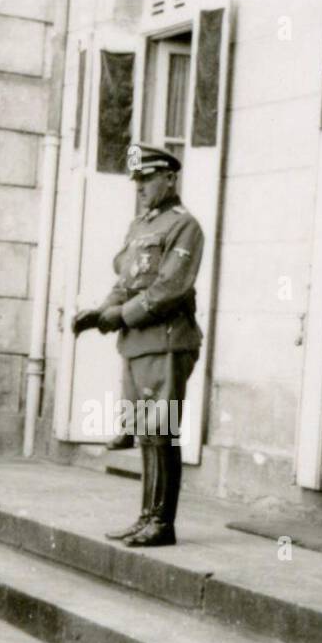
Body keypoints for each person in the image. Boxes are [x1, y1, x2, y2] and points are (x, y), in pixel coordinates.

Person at [73, 143, 204, 548]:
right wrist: (102, 311)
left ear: (170, 178)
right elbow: (126, 281)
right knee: (146, 433)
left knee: (161, 431)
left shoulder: (185, 226)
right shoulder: (140, 227)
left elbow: (169, 287)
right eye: (138, 181)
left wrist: (121, 315)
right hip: (137, 344)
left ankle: (162, 523)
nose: (141, 187)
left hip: (165, 342)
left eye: (148, 179)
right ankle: (146, 517)